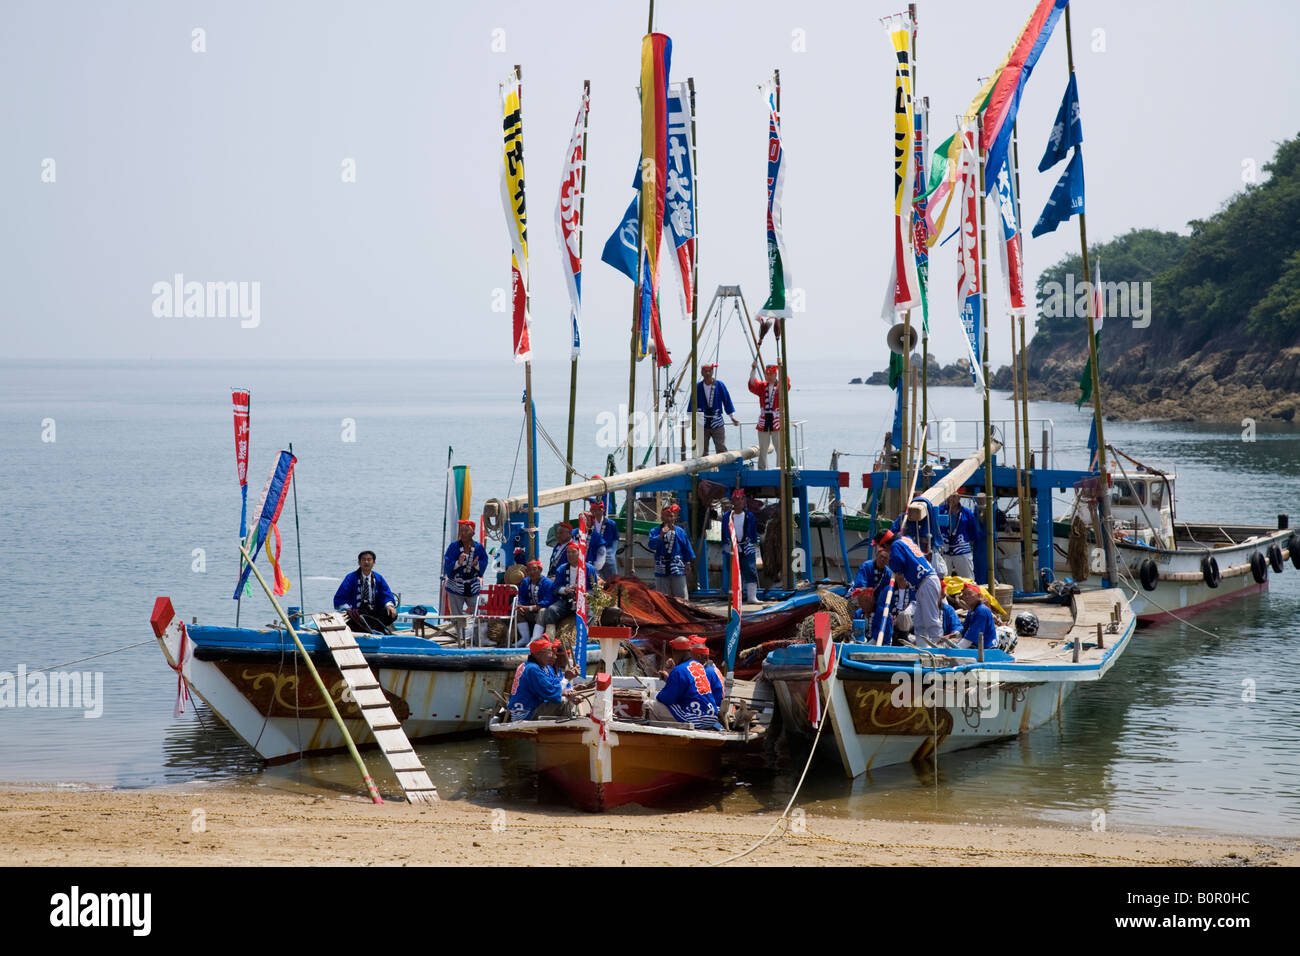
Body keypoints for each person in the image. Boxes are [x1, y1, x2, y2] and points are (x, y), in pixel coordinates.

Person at [876, 529, 944, 648]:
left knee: (930, 619)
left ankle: (939, 647)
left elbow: (898, 565)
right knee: (919, 622)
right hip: (924, 582)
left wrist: (891, 564)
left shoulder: (896, 545)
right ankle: (922, 648)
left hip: (926, 581)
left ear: (886, 545)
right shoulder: (905, 539)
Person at [645, 636, 722, 729]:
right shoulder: (699, 666)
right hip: (712, 717)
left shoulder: (679, 670)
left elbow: (667, 698)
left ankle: (663, 739)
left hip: (696, 719)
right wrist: (669, 679)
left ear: (674, 652)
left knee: (648, 705)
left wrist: (656, 695)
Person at [507, 637, 581, 722]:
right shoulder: (533, 669)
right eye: (549, 652)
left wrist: (570, 690)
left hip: (521, 711)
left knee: (566, 699)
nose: (554, 656)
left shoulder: (528, 665)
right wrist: (567, 679)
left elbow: (551, 686)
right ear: (538, 654)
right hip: (525, 714)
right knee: (562, 703)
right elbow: (550, 692)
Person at [536, 543, 598, 639]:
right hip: (566, 600)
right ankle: (550, 638)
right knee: (552, 610)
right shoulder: (562, 569)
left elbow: (595, 589)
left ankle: (587, 637)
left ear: (580, 553)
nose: (570, 555)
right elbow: (555, 588)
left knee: (589, 611)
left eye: (573, 552)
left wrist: (582, 592)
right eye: (568, 552)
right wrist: (565, 590)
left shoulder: (589, 569)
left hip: (584, 600)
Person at [442, 520, 489, 642]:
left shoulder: (478, 547)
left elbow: (484, 562)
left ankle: (480, 637)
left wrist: (477, 564)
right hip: (455, 585)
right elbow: (447, 564)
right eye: (461, 530)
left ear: (472, 532)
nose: (463, 533)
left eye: (466, 530)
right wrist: (458, 563)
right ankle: (461, 637)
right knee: (457, 614)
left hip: (472, 585)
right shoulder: (454, 547)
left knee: (480, 610)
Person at [333, 550, 397, 634]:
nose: (366, 562)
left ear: (374, 563)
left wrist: (389, 605)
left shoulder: (378, 578)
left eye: (369, 559)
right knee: (351, 617)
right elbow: (340, 597)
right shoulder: (351, 578)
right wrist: (348, 609)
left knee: (391, 613)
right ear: (359, 562)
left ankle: (370, 628)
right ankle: (372, 629)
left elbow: (386, 594)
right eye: (363, 559)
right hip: (357, 612)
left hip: (373, 611)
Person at [689, 363, 741, 455]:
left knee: (721, 449)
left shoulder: (720, 385)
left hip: (717, 421)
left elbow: (727, 400)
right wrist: (690, 419)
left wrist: (732, 417)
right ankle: (705, 469)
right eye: (705, 371)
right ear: (702, 373)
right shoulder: (697, 387)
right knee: (702, 451)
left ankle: (723, 468)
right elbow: (692, 404)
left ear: (712, 372)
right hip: (702, 421)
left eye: (709, 371)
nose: (708, 373)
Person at [648, 503, 695, 599]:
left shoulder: (680, 531)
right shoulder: (655, 531)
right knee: (661, 595)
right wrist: (660, 535)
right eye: (667, 516)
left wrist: (688, 563)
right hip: (662, 565)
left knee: (681, 594)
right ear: (662, 517)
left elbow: (686, 548)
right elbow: (652, 545)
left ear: (675, 518)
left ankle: (683, 611)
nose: (669, 519)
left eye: (671, 516)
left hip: (677, 566)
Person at [722, 489, 760, 603]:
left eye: (740, 499)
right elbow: (724, 532)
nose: (738, 502)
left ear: (744, 501)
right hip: (732, 546)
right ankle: (736, 598)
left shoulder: (749, 516)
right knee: (733, 572)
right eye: (735, 499)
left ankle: (752, 597)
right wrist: (725, 546)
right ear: (732, 501)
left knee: (750, 569)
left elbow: (753, 533)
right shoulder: (727, 516)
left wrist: (754, 546)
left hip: (747, 546)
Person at [748, 361, 785, 470]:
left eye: (771, 374)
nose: (769, 377)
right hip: (764, 420)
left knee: (779, 447)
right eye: (767, 374)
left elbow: (786, 385)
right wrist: (753, 369)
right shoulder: (762, 386)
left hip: (776, 420)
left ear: (775, 374)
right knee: (763, 447)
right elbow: (752, 384)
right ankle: (762, 468)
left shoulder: (780, 386)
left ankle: (780, 468)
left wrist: (781, 368)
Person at [945, 584, 998, 651]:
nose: (966, 597)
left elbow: (972, 635)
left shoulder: (981, 611)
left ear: (979, 596)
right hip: (977, 646)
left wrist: (956, 649)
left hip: (987, 648)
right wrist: (952, 635)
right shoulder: (971, 611)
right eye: (964, 594)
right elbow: (965, 629)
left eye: (969, 594)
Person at [939, 492, 979, 581]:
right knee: (943, 580)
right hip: (944, 551)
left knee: (968, 579)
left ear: (959, 497)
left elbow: (973, 533)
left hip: (962, 550)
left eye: (954, 496)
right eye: (949, 496)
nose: (951, 499)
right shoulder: (940, 511)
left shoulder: (967, 513)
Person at [514, 560, 555, 645]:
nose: (532, 572)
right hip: (530, 612)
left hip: (543, 614)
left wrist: (531, 608)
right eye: (529, 570)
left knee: (543, 610)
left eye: (534, 569)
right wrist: (521, 606)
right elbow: (521, 597)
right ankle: (525, 638)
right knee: (517, 610)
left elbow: (548, 601)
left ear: (540, 570)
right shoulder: (525, 582)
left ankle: (535, 638)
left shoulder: (547, 583)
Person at [586, 496, 620, 582]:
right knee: (593, 578)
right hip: (593, 552)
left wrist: (612, 552)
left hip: (607, 552)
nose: (597, 512)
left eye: (599, 509)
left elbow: (615, 539)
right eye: (594, 510)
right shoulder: (589, 523)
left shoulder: (611, 523)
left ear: (603, 510)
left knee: (612, 578)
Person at [689, 636, 725, 711]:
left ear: (698, 657)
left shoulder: (706, 672)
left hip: (713, 709)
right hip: (715, 705)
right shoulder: (710, 666)